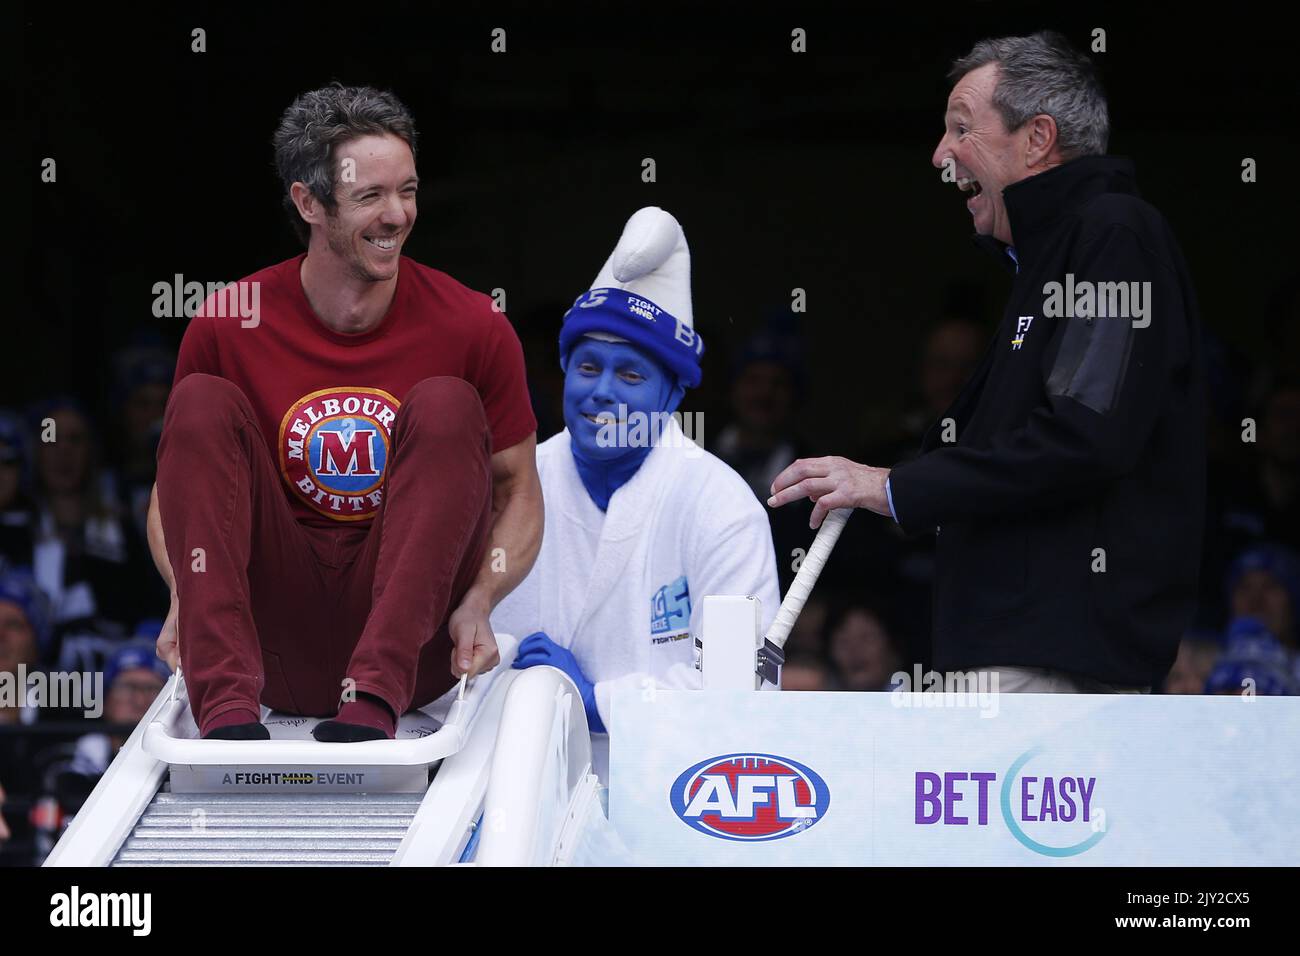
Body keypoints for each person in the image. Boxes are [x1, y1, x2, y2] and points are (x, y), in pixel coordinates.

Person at [768, 31, 1205, 693]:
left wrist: (891, 487)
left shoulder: (1115, 231)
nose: (941, 154)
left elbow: (1084, 438)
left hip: (1054, 665)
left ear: (1037, 139)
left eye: (962, 128)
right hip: (1017, 656)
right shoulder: (1052, 255)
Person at [149, 83, 542, 741]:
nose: (398, 215)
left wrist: (481, 601)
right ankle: (223, 710)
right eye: (371, 196)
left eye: (408, 191)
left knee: (447, 403)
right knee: (200, 401)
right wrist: (183, 592)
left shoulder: (473, 323)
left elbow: (520, 491)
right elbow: (173, 493)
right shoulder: (227, 320)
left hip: (413, 656)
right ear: (308, 202)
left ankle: (373, 701)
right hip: (269, 649)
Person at [490, 207, 780, 780]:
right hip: (516, 791)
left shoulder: (721, 504)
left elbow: (747, 689)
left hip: (673, 795)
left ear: (673, 395)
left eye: (629, 376)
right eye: (588, 366)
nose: (600, 392)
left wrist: (593, 701)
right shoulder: (511, 484)